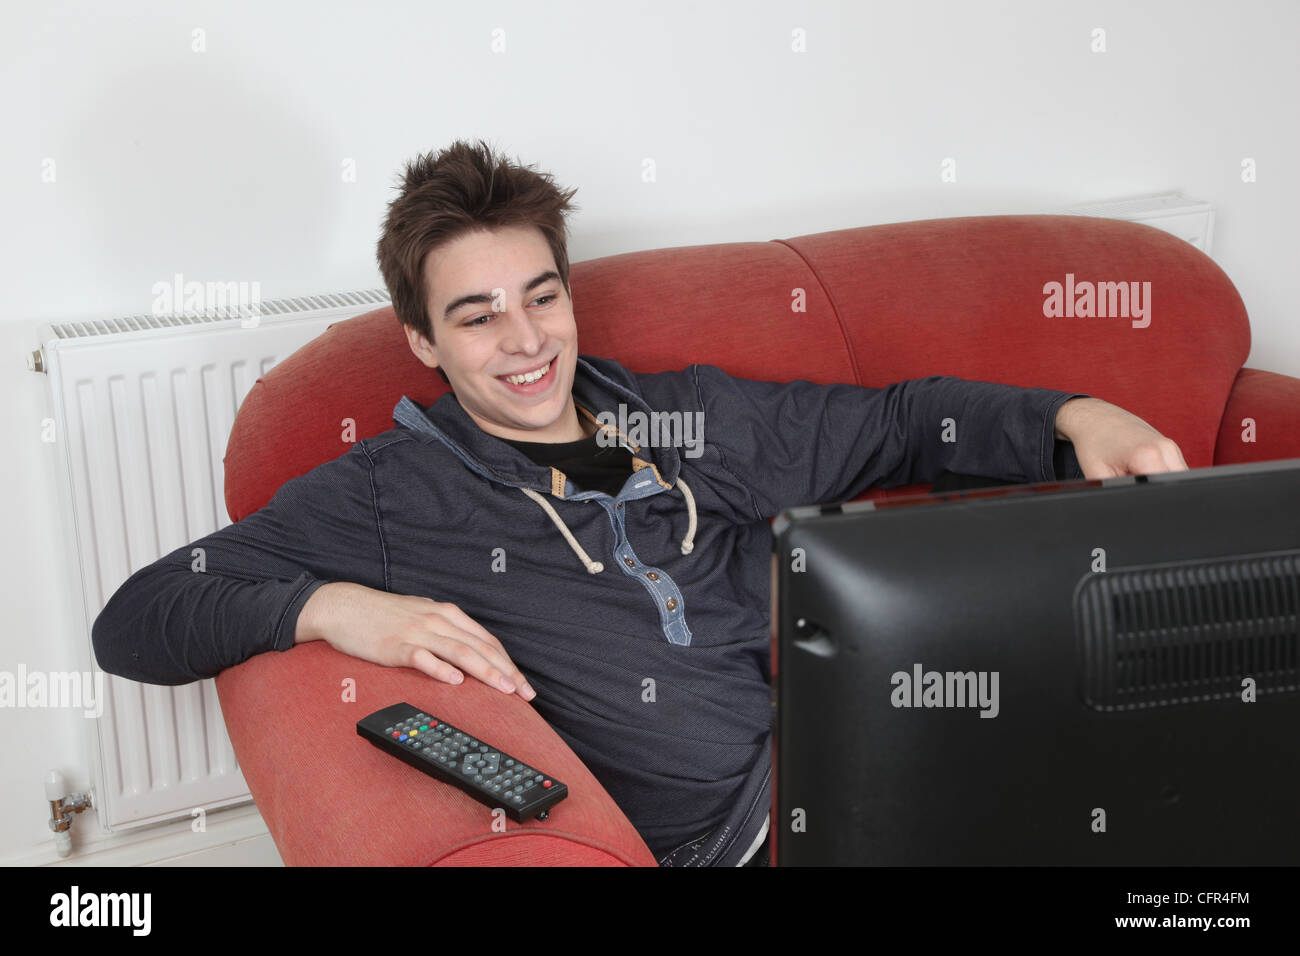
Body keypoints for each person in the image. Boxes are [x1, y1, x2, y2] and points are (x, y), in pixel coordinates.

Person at [91, 139, 1189, 866]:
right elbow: (137, 616)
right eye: (476, 317)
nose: (525, 341)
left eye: (541, 296)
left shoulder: (685, 419)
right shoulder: (388, 490)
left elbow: (903, 421)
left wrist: (1074, 415)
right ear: (422, 341)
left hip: (880, 759)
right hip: (739, 834)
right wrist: (335, 606)